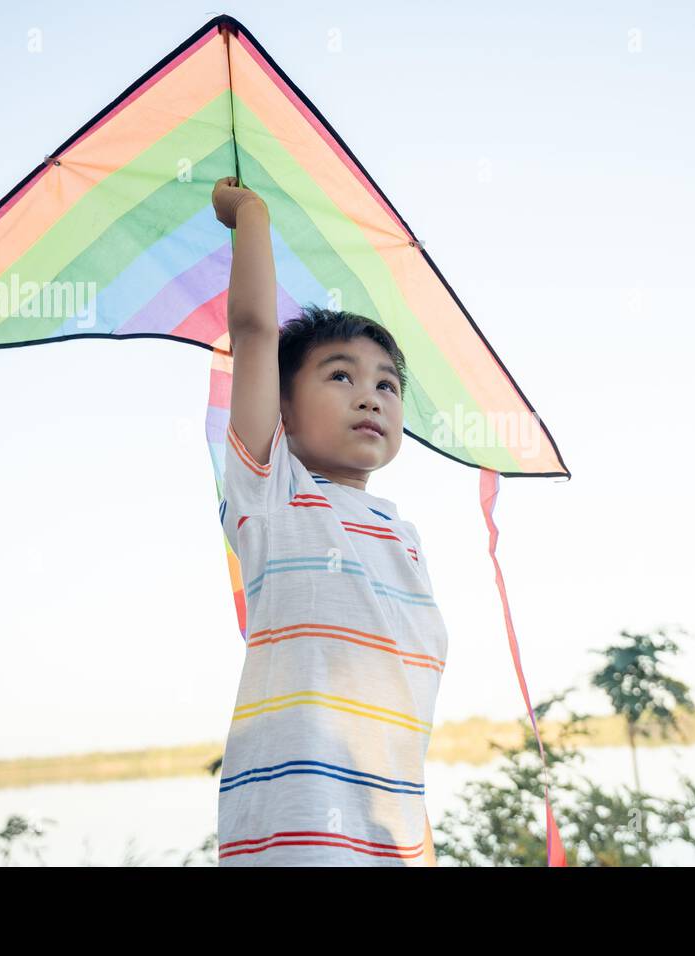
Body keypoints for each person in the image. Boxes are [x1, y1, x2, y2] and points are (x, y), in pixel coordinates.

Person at [210, 176, 446, 865]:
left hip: (390, 836)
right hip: (298, 836)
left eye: (386, 384)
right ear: (280, 409)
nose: (369, 396)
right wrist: (251, 215)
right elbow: (254, 332)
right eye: (340, 376)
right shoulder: (271, 492)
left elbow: (405, 724)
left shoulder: (404, 534)